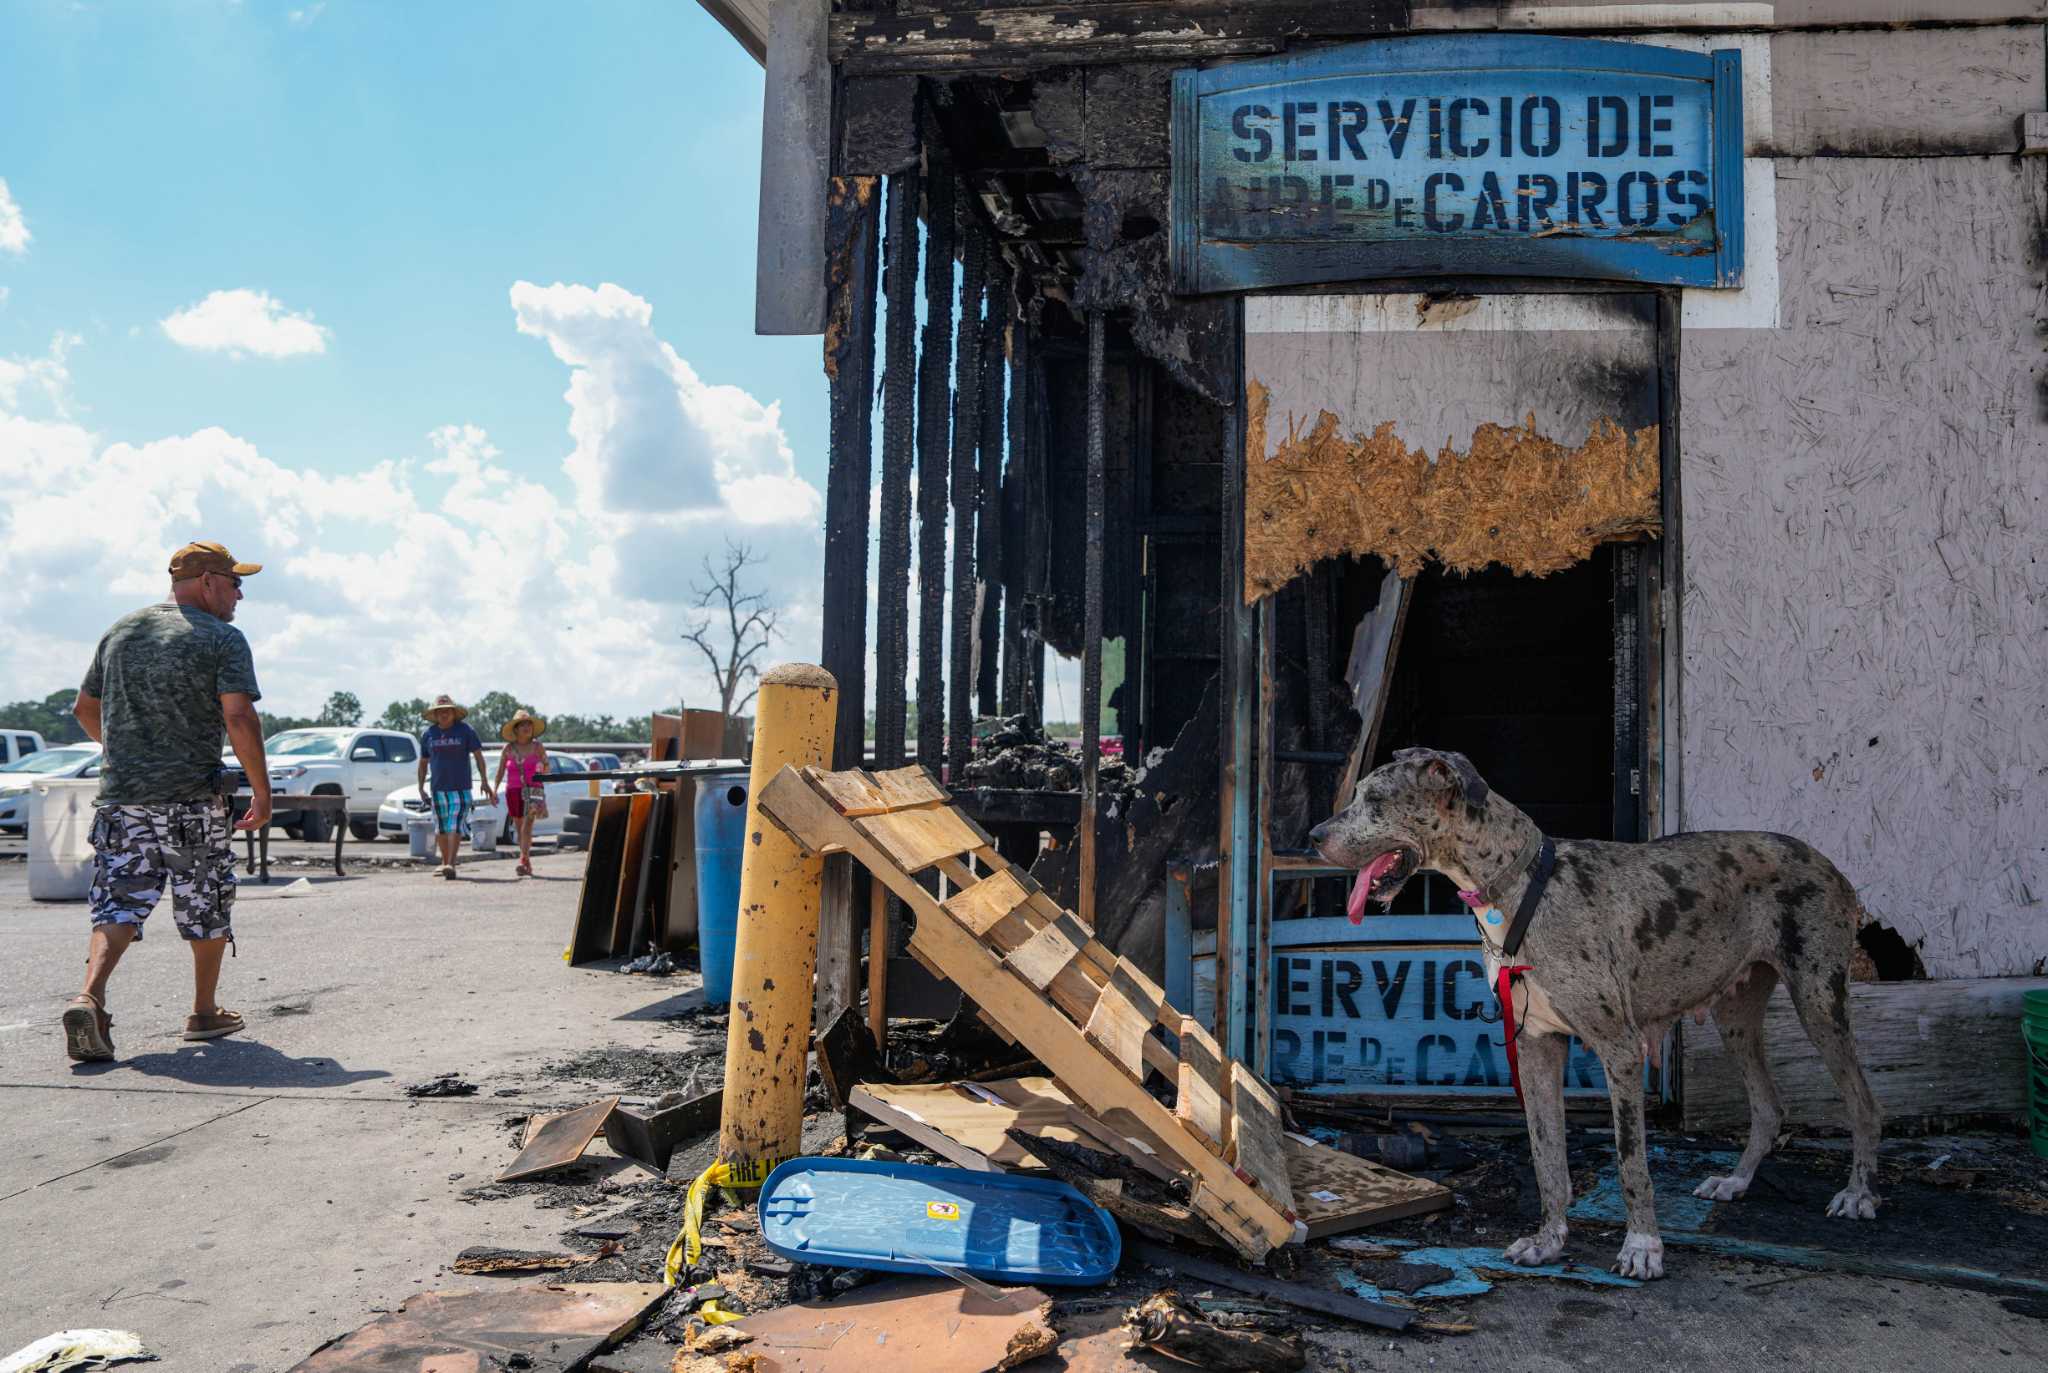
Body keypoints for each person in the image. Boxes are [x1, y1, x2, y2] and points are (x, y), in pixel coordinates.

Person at [61, 540, 273, 1063]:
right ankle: (203, 1011)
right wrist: (261, 791)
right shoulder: (221, 637)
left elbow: (85, 709)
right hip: (192, 801)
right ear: (206, 581)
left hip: (122, 801)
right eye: (233, 580)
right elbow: (239, 717)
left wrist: (126, 753)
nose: (240, 592)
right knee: (206, 901)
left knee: (118, 902)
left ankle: (90, 996)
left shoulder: (121, 631)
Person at [417, 694, 492, 878]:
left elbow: (478, 756)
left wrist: (484, 780)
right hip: (438, 788)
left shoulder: (465, 731)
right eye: (440, 711)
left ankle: (451, 863)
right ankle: (444, 863)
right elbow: (423, 762)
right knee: (441, 827)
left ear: (453, 713)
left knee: (455, 824)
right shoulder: (429, 734)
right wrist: (420, 786)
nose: (444, 714)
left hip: (461, 787)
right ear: (435, 714)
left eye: (447, 711)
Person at [492, 708, 549, 877]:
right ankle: (527, 861)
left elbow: (547, 767)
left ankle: (522, 859)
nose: (526, 727)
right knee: (519, 826)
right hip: (513, 791)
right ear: (515, 729)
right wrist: (494, 790)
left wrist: (543, 766)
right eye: (522, 724)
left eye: (529, 724)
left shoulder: (538, 746)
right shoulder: (508, 749)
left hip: (534, 790)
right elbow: (500, 772)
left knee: (527, 825)